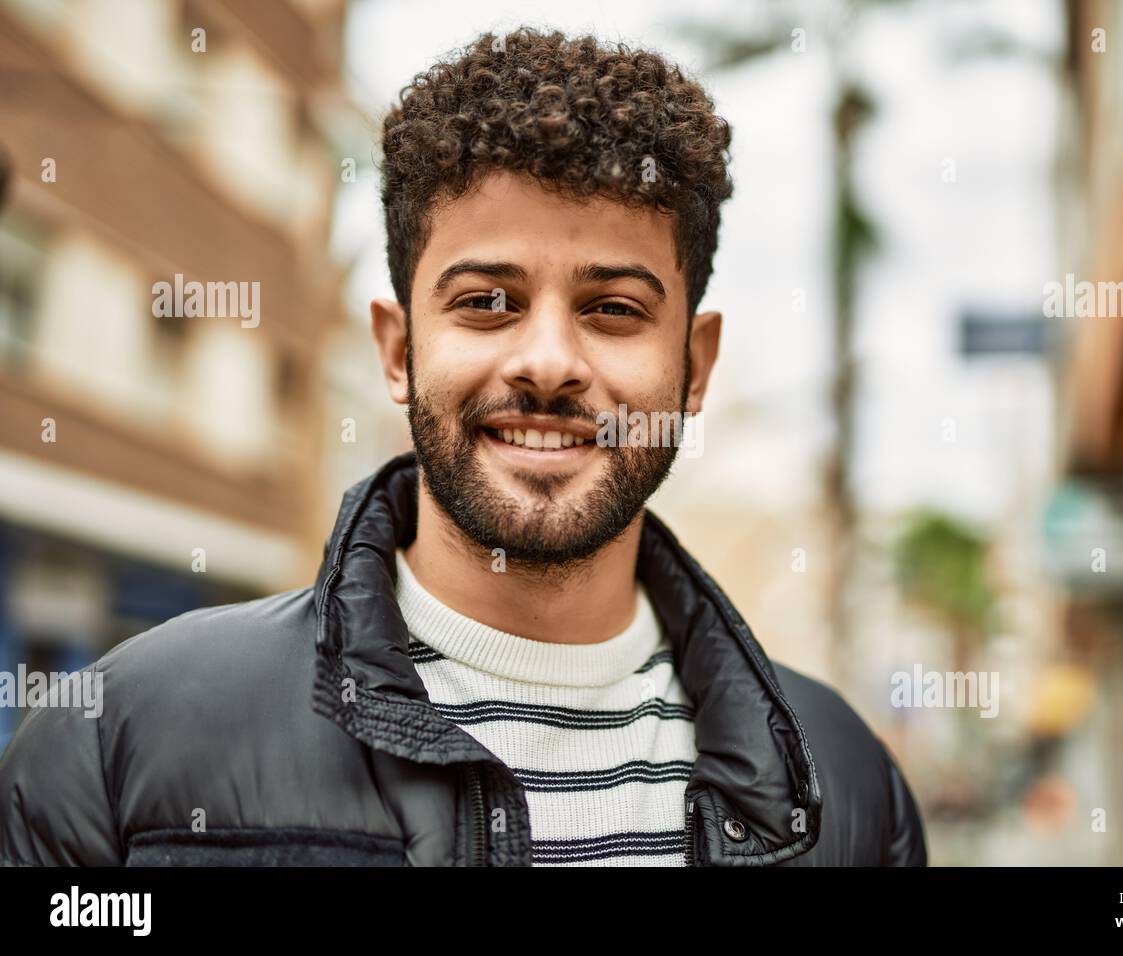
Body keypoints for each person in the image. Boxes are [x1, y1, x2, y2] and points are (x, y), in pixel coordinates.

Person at [0, 26, 925, 867]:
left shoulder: (843, 791)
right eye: (488, 301)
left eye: (614, 309)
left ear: (694, 365)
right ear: (399, 351)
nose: (550, 363)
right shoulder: (121, 740)